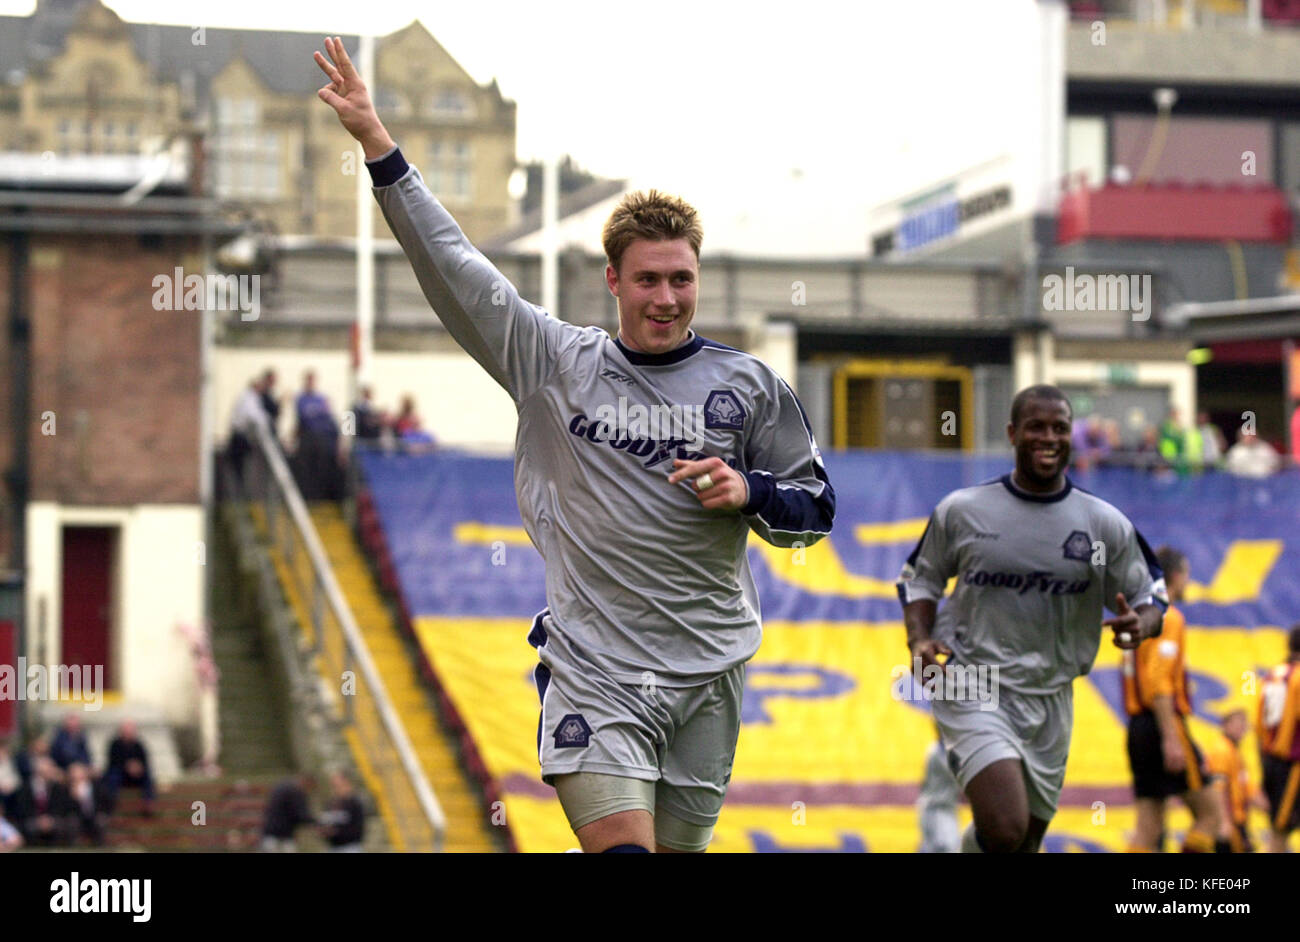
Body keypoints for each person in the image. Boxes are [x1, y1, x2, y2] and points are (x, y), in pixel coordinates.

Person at [316, 36, 835, 853]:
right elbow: (457, 269)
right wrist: (383, 151)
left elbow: (816, 513)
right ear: (614, 281)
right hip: (595, 672)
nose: (667, 298)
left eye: (681, 279)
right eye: (649, 279)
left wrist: (751, 492)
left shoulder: (752, 389)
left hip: (710, 674)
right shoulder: (554, 362)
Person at [898, 384, 1165, 853]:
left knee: (1023, 842)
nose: (1049, 437)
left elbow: (1151, 594)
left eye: (1059, 428)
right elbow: (921, 580)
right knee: (1005, 826)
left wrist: (1142, 622)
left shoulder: (1102, 523)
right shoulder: (964, 511)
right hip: (973, 681)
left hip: (1051, 695)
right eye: (1036, 427)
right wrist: (919, 638)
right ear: (1012, 433)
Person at [1121, 545, 1219, 852]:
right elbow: (1159, 683)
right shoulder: (1168, 617)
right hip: (1163, 724)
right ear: (1175, 577)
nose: (1188, 582)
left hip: (1137, 727)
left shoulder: (1138, 615)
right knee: (1211, 815)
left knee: (1148, 826)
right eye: (1187, 575)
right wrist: (1170, 738)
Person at [1257, 624, 1300, 853]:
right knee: (1280, 833)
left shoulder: (1271, 675)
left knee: (1279, 831)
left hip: (1272, 761)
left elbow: (1259, 725)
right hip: (1292, 763)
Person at [1206, 708, 1257, 853]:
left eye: (1244, 722)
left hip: (1237, 819)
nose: (1242, 727)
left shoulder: (1234, 751)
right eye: (1238, 722)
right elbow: (1218, 787)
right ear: (1225, 725)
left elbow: (1246, 787)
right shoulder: (1222, 750)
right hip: (1230, 820)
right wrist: (1224, 821)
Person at [293, 370, 342, 500]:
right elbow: (302, 418)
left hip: (322, 439)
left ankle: (321, 496)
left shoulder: (321, 399)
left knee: (322, 468)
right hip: (308, 437)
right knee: (306, 469)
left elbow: (329, 419)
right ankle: (307, 497)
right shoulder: (301, 399)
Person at [917, 725, 961, 853]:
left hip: (941, 808)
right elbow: (955, 773)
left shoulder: (941, 750)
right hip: (937, 808)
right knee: (950, 848)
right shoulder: (936, 752)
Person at [229, 372, 272, 487]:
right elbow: (254, 416)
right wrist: (267, 423)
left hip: (241, 436)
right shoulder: (249, 397)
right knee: (240, 469)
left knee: (242, 468)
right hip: (239, 437)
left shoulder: (248, 397)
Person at [103, 720, 155, 815]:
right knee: (113, 776)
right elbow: (112, 762)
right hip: (121, 775)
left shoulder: (139, 745)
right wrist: (127, 767)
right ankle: (111, 802)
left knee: (148, 777)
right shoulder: (115, 744)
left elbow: (145, 762)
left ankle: (148, 803)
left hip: (135, 777)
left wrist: (138, 768)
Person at [261, 774, 316, 852]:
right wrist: (315, 821)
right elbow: (300, 814)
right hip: (284, 834)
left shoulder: (282, 788)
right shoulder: (295, 792)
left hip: (270, 830)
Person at [319, 770, 365, 852]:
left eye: (339, 785)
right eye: (334, 785)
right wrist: (323, 830)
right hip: (333, 848)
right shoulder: (330, 803)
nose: (336, 788)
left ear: (347, 783)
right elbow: (324, 822)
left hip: (350, 847)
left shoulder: (355, 803)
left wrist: (336, 832)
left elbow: (358, 829)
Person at [64, 762, 108, 847]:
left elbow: (105, 802)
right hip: (78, 816)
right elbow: (66, 808)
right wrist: (74, 799)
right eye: (72, 772)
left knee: (101, 820)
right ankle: (74, 845)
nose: (74, 775)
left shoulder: (96, 786)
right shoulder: (66, 789)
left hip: (94, 815)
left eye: (77, 772)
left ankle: (99, 845)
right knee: (72, 821)